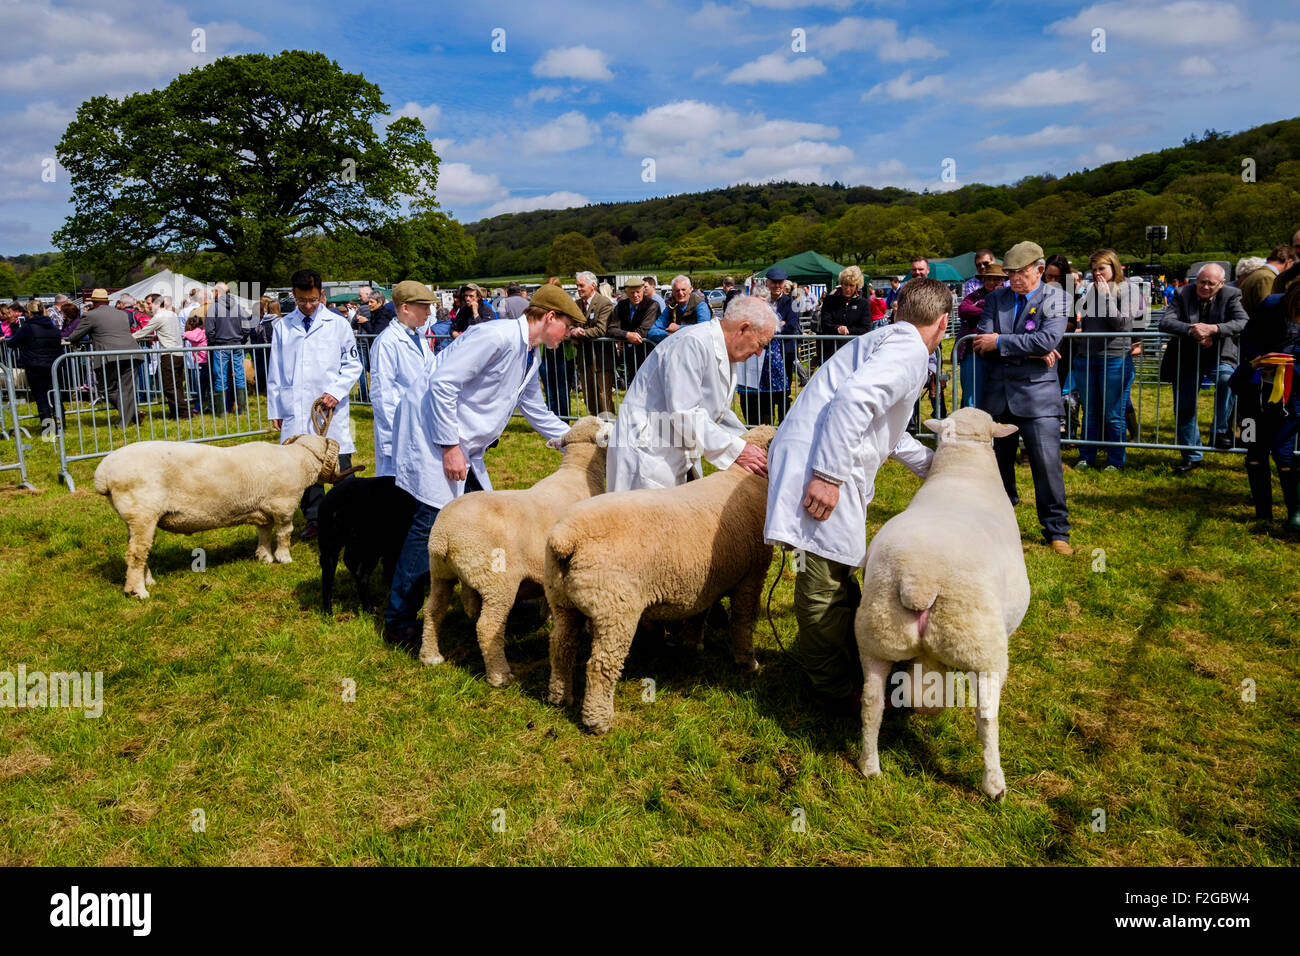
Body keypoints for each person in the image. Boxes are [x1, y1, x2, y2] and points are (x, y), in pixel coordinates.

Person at [764, 278, 952, 711]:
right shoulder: (908, 351)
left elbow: (883, 427)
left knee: (836, 571)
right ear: (943, 322)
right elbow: (853, 402)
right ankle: (833, 688)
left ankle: (849, 665)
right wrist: (828, 476)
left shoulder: (890, 340)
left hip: (819, 459)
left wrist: (934, 466)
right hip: (821, 466)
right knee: (820, 582)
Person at [383, 284, 587, 645]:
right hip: (434, 435)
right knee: (430, 526)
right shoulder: (495, 336)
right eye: (567, 325)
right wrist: (449, 447)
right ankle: (399, 620)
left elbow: (536, 410)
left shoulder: (531, 355)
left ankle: (487, 602)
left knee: (490, 524)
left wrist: (576, 441)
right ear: (550, 317)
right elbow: (443, 384)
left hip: (465, 443)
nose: (569, 334)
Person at [969, 241, 1074, 555]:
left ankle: (1057, 531)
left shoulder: (1057, 298)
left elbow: (1046, 340)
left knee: (1047, 465)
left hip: (1037, 397)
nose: (1012, 278)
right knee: (997, 467)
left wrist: (1002, 342)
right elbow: (980, 341)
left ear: (1039, 270)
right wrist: (1030, 350)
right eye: (1010, 272)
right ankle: (1000, 523)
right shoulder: (995, 298)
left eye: (1020, 273)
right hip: (997, 396)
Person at [607, 296, 773, 492]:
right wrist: (737, 450)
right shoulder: (692, 343)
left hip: (672, 449)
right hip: (646, 454)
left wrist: (749, 443)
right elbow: (684, 412)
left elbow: (718, 412)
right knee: (638, 519)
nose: (759, 353)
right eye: (760, 343)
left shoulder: (720, 351)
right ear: (743, 328)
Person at [266, 268, 363, 541]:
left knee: (339, 463)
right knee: (303, 468)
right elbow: (276, 370)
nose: (307, 306)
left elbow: (353, 364)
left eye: (312, 300)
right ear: (293, 297)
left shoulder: (339, 324)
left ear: (321, 294)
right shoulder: (283, 327)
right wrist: (276, 408)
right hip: (295, 407)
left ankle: (349, 517)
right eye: (301, 301)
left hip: (329, 409)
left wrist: (336, 391)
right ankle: (315, 519)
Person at [1158, 263, 1249, 471]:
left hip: (1220, 355)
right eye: (1201, 282)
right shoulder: (1182, 293)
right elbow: (1165, 322)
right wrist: (1194, 331)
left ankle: (1219, 430)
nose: (1205, 287)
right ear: (1195, 281)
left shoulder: (1232, 294)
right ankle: (1191, 455)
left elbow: (1243, 322)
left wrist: (1214, 329)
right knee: (1184, 407)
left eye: (1211, 283)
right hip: (1187, 357)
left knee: (1228, 380)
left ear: (1221, 284)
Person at [1230, 280, 1300, 530]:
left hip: (1291, 394)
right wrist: (1258, 358)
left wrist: (1289, 362)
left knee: (1283, 451)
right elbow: (1249, 335)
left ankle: (1294, 510)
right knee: (1254, 451)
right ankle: (1262, 511)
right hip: (1254, 389)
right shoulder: (1271, 304)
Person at [1073, 249, 1141, 470]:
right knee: (1090, 411)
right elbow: (1085, 320)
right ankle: (1086, 456)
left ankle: (1115, 460)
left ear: (1114, 267)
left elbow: (1121, 325)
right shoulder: (1089, 291)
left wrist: (1106, 297)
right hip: (1087, 356)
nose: (1097, 274)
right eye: (1093, 270)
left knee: (1113, 413)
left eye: (1101, 268)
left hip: (1114, 358)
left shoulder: (1128, 289)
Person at [370, 281, 438, 477]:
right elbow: (382, 395)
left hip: (419, 424)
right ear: (406, 308)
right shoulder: (387, 342)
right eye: (424, 307)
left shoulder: (420, 338)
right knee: (395, 491)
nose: (429, 312)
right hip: (398, 429)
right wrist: (396, 434)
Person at [67, 288, 141, 430]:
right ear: (107, 301)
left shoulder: (91, 316)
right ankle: (130, 416)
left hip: (109, 355)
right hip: (131, 351)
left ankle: (127, 419)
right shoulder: (122, 314)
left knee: (106, 388)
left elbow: (74, 336)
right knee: (127, 389)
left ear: (93, 302)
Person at [4, 298, 62, 431]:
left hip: (35, 366)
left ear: (29, 312)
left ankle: (48, 429)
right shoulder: (52, 326)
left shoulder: (27, 327)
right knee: (55, 395)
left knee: (41, 397)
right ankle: (61, 425)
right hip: (53, 365)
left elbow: (12, 342)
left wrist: (13, 326)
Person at [956, 262, 1008, 407]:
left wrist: (981, 308)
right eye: (988, 279)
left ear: (1003, 280)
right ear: (983, 280)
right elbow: (963, 310)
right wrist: (988, 310)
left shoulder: (1010, 296)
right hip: (974, 352)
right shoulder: (975, 295)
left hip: (1001, 353)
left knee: (997, 399)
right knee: (972, 397)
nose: (992, 282)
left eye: (996, 279)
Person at [133, 293, 190, 418]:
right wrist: (159, 336)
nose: (148, 306)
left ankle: (183, 414)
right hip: (179, 354)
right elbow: (171, 332)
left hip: (169, 355)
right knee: (177, 386)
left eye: (149, 303)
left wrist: (127, 339)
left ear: (157, 304)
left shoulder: (159, 317)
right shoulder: (172, 314)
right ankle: (177, 413)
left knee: (169, 387)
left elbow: (142, 333)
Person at [569, 270, 615, 418]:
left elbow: (601, 329)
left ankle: (609, 430)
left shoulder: (604, 303)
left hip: (601, 359)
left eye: (581, 285)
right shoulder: (576, 304)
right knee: (589, 397)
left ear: (593, 285)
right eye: (577, 285)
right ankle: (595, 427)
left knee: (603, 396)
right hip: (584, 358)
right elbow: (569, 324)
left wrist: (581, 333)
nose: (579, 289)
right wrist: (572, 331)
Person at [205, 281, 250, 414]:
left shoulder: (214, 308)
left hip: (220, 346)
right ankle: (242, 410)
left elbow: (209, 330)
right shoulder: (239, 307)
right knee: (240, 376)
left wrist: (214, 341)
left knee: (220, 377)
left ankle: (221, 412)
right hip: (237, 345)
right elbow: (247, 328)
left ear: (218, 292)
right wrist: (241, 340)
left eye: (214, 292)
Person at [607, 277, 659, 386]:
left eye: (638, 292)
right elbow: (611, 329)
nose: (635, 295)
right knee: (633, 386)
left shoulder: (652, 305)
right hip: (629, 356)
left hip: (647, 354)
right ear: (626, 293)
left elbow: (644, 330)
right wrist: (627, 335)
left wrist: (623, 336)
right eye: (632, 293)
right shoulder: (621, 305)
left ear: (643, 291)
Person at [815, 265, 872, 364]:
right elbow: (825, 324)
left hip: (854, 352)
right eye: (845, 284)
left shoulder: (863, 303)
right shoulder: (829, 300)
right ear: (841, 284)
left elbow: (865, 329)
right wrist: (837, 328)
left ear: (857, 286)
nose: (848, 288)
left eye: (851, 285)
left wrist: (847, 330)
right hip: (831, 352)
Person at [648, 275, 711, 343]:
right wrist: (668, 334)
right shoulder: (670, 308)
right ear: (673, 292)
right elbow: (652, 332)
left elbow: (704, 328)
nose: (680, 293)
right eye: (677, 290)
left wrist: (678, 328)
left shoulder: (701, 305)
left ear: (690, 289)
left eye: (683, 289)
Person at [1239, 244, 1295, 317]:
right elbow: (1267, 311)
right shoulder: (1267, 277)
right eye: (1292, 265)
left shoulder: (1262, 274)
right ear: (1288, 262)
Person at [183, 314, 210, 411]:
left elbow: (193, 337)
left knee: (202, 386)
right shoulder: (204, 332)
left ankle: (198, 407)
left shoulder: (193, 333)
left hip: (203, 362)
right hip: (207, 361)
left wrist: (185, 334)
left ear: (191, 325)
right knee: (208, 385)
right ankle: (208, 405)